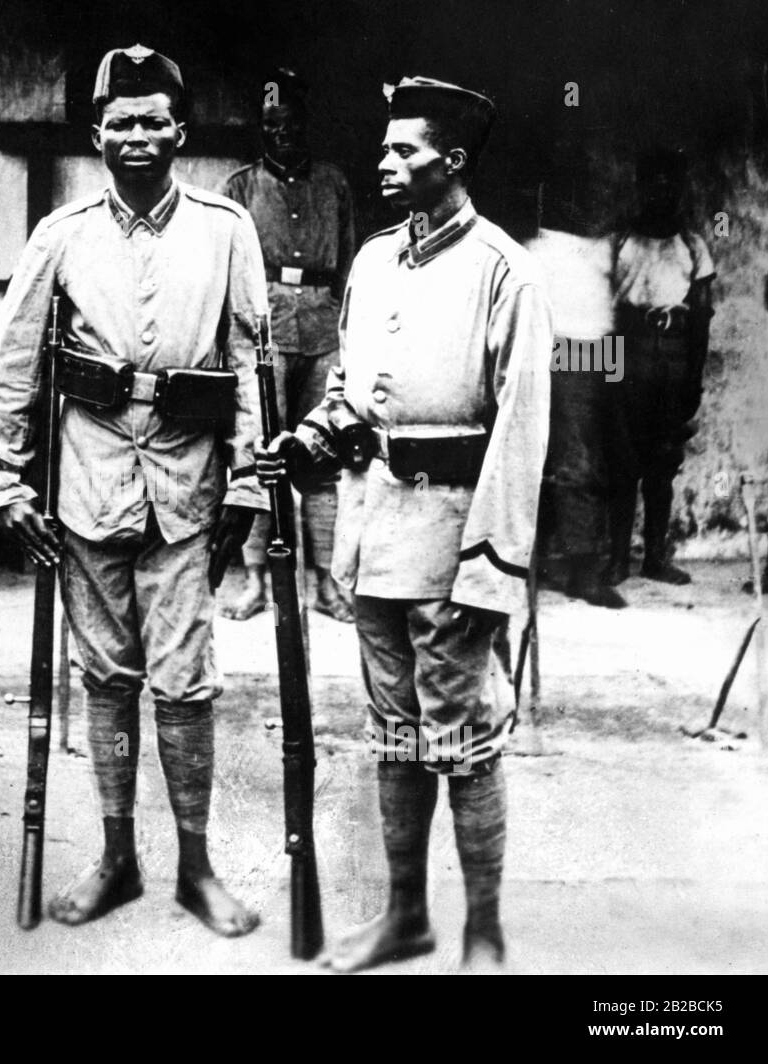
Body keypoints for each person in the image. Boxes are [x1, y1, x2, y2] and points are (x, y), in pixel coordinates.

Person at [257, 76, 551, 971]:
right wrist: (305, 441)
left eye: (404, 151)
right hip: (378, 526)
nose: (383, 164)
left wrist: (491, 571)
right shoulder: (377, 260)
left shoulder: (505, 272)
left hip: (457, 536)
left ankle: (485, 933)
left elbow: (521, 435)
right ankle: (405, 916)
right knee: (395, 733)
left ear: (452, 162)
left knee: (460, 733)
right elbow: (353, 392)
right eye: (383, 149)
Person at [0, 44, 269, 936]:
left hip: (188, 490)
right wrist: (3, 478)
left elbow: (252, 360)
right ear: (97, 134)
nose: (137, 136)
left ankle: (196, 866)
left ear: (180, 132)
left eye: (154, 121)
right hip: (89, 486)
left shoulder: (227, 229)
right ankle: (115, 855)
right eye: (120, 121)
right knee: (106, 679)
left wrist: (252, 485)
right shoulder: (60, 237)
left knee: (186, 684)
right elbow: (13, 366)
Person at [220, 67, 356, 621]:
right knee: (260, 456)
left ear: (307, 126)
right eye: (272, 125)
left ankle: (325, 584)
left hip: (323, 325)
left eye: (292, 124)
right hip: (264, 332)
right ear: (261, 129)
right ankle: (255, 581)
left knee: (323, 457)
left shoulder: (335, 183)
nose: (283, 134)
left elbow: (349, 261)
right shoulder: (240, 188)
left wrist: (347, 325)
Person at [606, 147, 716, 586]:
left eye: (670, 183)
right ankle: (615, 559)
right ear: (640, 188)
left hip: (672, 356)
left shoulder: (693, 246)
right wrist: (609, 376)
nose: (662, 191)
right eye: (653, 182)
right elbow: (605, 316)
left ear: (679, 189)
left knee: (663, 459)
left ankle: (655, 556)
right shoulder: (620, 243)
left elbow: (702, 318)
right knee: (621, 460)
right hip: (629, 352)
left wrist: (693, 379)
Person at [526, 164, 627, 608]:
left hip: (593, 353)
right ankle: (539, 565)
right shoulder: (536, 249)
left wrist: (614, 376)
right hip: (554, 351)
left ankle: (579, 567)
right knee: (562, 461)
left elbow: (613, 314)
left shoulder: (605, 249)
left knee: (587, 460)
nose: (590, 207)